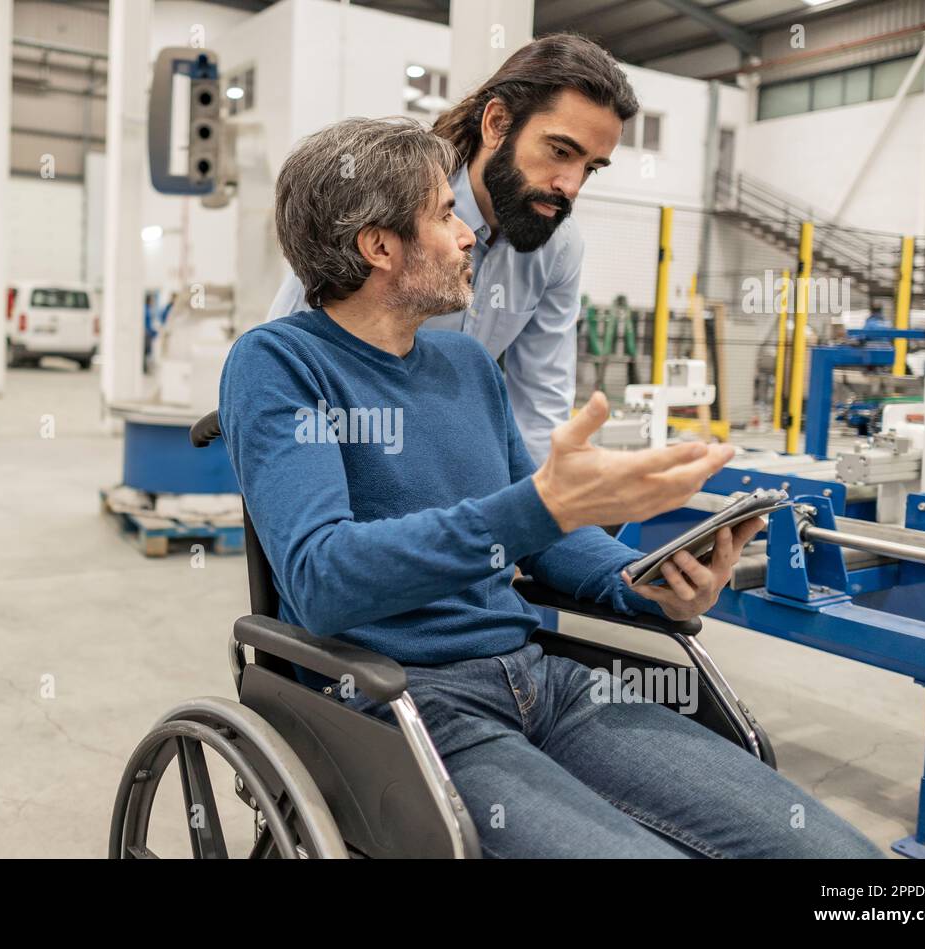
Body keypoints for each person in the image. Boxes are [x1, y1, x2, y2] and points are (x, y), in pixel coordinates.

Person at [220, 116, 883, 859]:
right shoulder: (279, 363)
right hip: (404, 703)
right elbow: (323, 577)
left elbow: (542, 533)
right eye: (444, 216)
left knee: (835, 856)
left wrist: (642, 583)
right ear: (379, 246)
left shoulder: (466, 367)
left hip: (542, 677)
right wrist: (538, 503)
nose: (470, 234)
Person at [268, 31, 639, 464]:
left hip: (440, 465)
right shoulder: (390, 202)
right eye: (559, 151)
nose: (571, 187)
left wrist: (547, 514)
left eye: (591, 168)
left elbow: (539, 407)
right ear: (497, 124)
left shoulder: (557, 246)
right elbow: (283, 365)